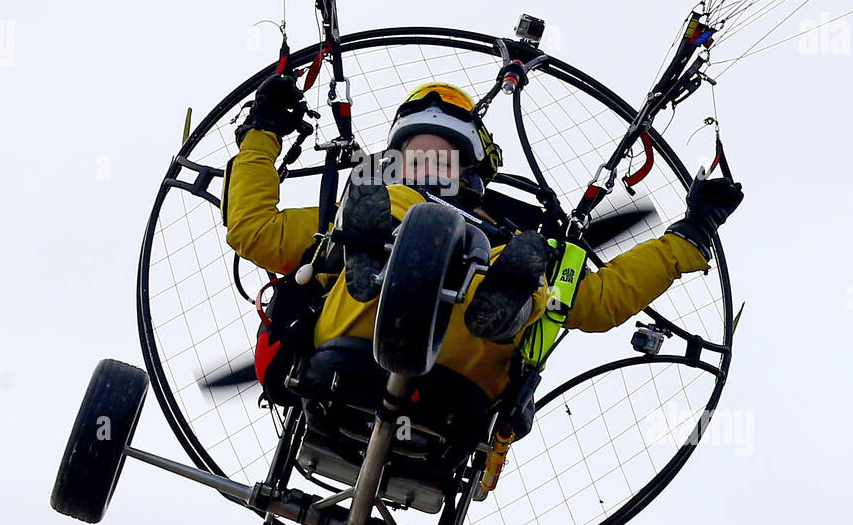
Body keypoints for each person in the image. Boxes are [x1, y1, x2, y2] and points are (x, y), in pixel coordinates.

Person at [225, 75, 743, 401]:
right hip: (431, 361)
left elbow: (598, 302)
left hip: (410, 355)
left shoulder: (511, 233)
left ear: (471, 168)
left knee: (529, 257)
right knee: (414, 216)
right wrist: (264, 132)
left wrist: (694, 230)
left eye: (439, 158)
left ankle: (477, 291)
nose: (425, 168)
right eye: (412, 159)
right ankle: (385, 264)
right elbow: (253, 230)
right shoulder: (368, 207)